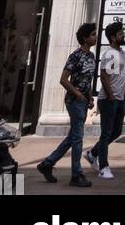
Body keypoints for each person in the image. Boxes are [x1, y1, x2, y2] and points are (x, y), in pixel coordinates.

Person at [37, 22, 97, 188]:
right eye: (93, 34)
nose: (95, 37)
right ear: (85, 38)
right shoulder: (75, 56)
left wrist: (90, 97)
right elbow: (63, 79)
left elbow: (88, 80)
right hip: (74, 102)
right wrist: (77, 93)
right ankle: (76, 175)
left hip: (84, 101)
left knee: (73, 137)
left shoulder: (91, 57)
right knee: (78, 138)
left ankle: (47, 164)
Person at [86, 21, 125, 180]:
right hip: (109, 100)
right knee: (106, 133)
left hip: (118, 99)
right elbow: (104, 77)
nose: (123, 35)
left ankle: (92, 153)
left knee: (116, 131)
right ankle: (103, 167)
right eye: (120, 34)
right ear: (113, 37)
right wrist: (111, 95)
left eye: (122, 33)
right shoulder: (110, 54)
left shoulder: (122, 53)